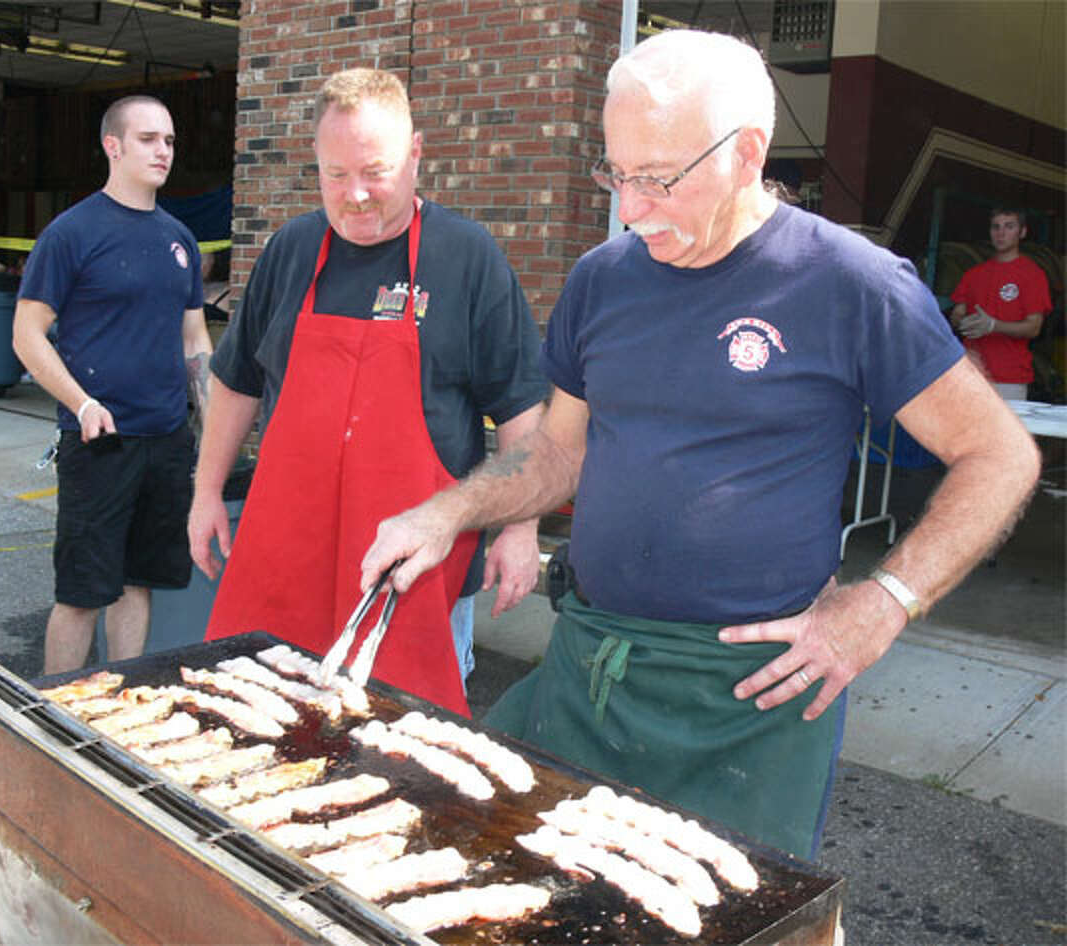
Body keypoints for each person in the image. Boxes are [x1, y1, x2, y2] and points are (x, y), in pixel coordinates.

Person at [359, 30, 1040, 858]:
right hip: (589, 665)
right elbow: (557, 458)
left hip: (750, 698)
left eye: (658, 178)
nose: (631, 206)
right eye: (616, 173)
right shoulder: (601, 279)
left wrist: (885, 602)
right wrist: (445, 513)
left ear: (748, 153)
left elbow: (1002, 455)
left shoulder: (851, 284)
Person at [189, 68, 546, 716]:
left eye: (374, 172)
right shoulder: (291, 250)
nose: (355, 195)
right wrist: (206, 490)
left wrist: (521, 529)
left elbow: (523, 409)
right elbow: (236, 380)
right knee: (257, 726)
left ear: (415, 153)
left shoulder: (468, 258)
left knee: (407, 756)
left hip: (414, 577)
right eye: (334, 174)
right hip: (285, 563)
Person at [13, 94, 211, 675]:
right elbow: (27, 335)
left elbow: (195, 340)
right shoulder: (71, 233)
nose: (163, 151)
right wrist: (81, 403)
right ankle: (53, 713)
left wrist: (212, 419)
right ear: (113, 145)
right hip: (100, 441)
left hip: (167, 441)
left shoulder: (180, 240)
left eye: (170, 140)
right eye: (149, 139)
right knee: (80, 593)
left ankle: (121, 702)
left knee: (138, 583)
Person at [950, 207, 1051, 400]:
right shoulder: (974, 274)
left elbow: (1034, 327)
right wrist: (960, 320)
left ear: (1022, 232)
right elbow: (958, 313)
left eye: (1009, 226)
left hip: (1010, 379)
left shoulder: (1032, 274)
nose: (1001, 233)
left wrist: (993, 325)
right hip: (970, 374)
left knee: (1000, 431)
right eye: (995, 227)